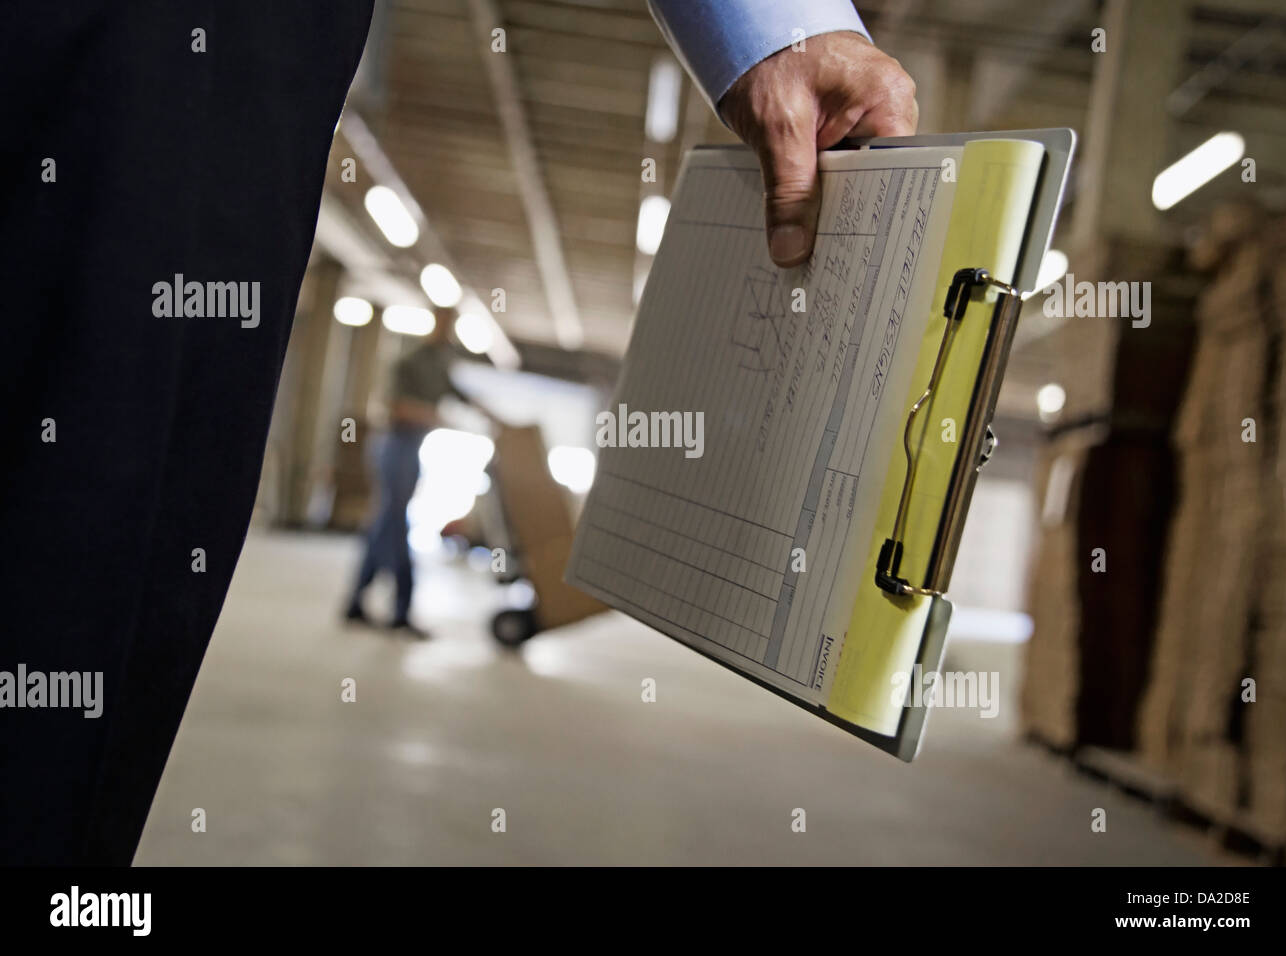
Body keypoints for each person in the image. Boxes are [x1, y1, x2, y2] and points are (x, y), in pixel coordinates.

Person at [0, 0, 916, 864]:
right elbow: (410, 408)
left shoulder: (434, 356)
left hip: (182, 46)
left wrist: (771, 25)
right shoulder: (415, 366)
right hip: (167, 76)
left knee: (81, 558)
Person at [345, 310, 495, 637]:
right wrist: (440, 419)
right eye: (446, 321)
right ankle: (401, 609)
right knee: (396, 525)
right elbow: (395, 406)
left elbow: (459, 394)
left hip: (412, 448)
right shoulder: (410, 360)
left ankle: (355, 603)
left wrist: (494, 417)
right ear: (435, 321)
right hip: (395, 445)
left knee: (385, 524)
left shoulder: (441, 362)